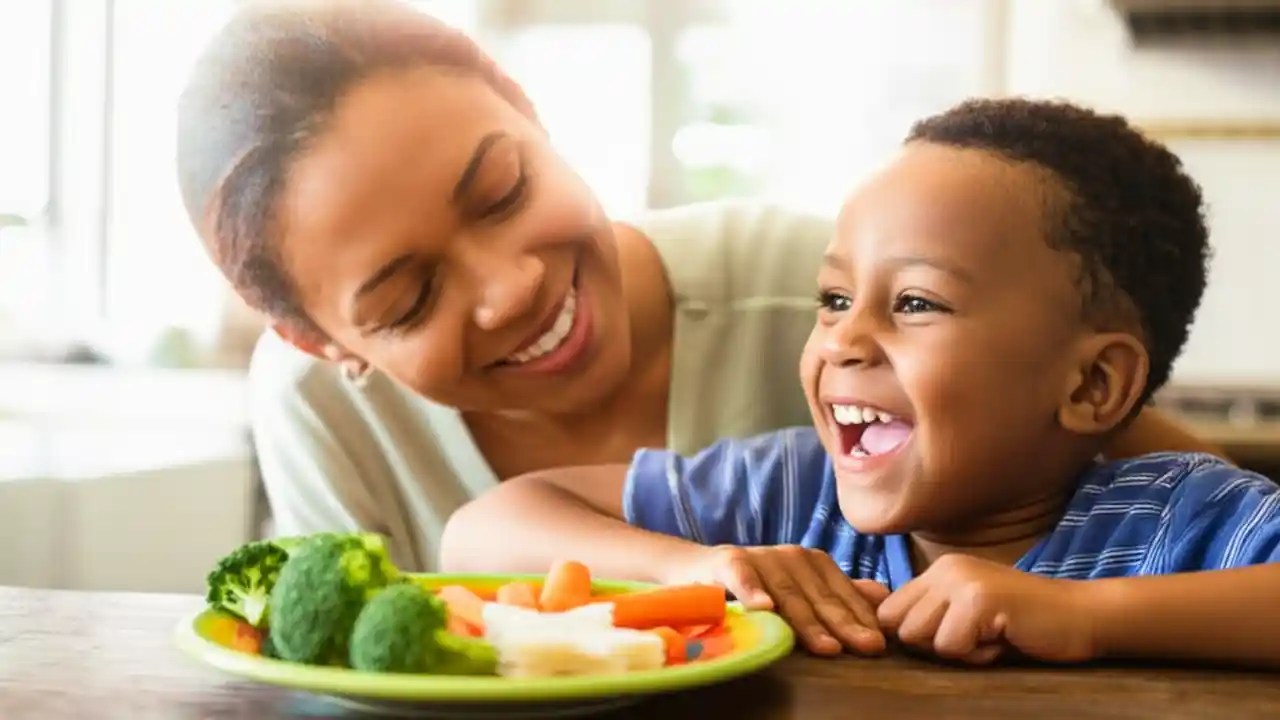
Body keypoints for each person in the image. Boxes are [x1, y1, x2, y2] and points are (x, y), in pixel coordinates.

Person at [176, 0, 1217, 571]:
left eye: (499, 190)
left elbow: (1152, 472)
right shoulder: (313, 405)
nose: (511, 289)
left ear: (531, 113)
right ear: (325, 343)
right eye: (405, 302)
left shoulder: (818, 295)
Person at [441, 99, 1280, 670]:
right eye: (835, 298)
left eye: (915, 302)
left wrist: (1081, 618)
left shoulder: (1175, 520)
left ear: (1094, 383)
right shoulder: (788, 496)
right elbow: (480, 532)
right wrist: (686, 570)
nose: (843, 338)